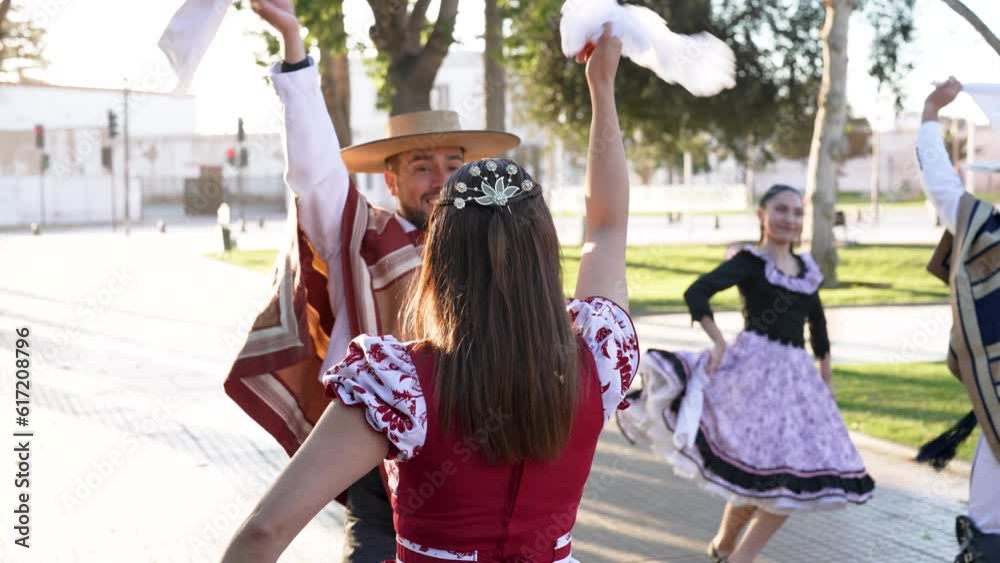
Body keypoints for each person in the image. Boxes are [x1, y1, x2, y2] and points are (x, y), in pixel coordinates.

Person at [221, 29, 639, 563]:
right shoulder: (600, 354)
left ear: (438, 256)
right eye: (421, 163)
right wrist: (602, 87)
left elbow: (264, 533)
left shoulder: (398, 385)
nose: (438, 174)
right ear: (543, 250)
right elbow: (606, 229)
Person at [222, 1, 521, 561]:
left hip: (477, 454)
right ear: (391, 178)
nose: (440, 180)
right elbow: (314, 174)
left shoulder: (495, 247)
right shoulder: (361, 238)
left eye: (454, 165)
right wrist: (293, 43)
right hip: (378, 465)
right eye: (422, 165)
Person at [618, 184, 874, 563]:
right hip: (751, 373)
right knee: (757, 475)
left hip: (797, 383)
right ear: (762, 215)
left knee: (786, 479)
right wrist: (718, 341)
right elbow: (697, 291)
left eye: (796, 212)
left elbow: (816, 326)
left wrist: (827, 378)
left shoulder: (807, 271)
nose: (790, 219)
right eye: (781, 210)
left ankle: (735, 554)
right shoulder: (751, 263)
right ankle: (727, 547)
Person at [916, 77, 1000, 563]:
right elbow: (941, 183)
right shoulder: (986, 232)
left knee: (989, 532)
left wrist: (930, 114)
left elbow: (939, 183)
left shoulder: (985, 232)